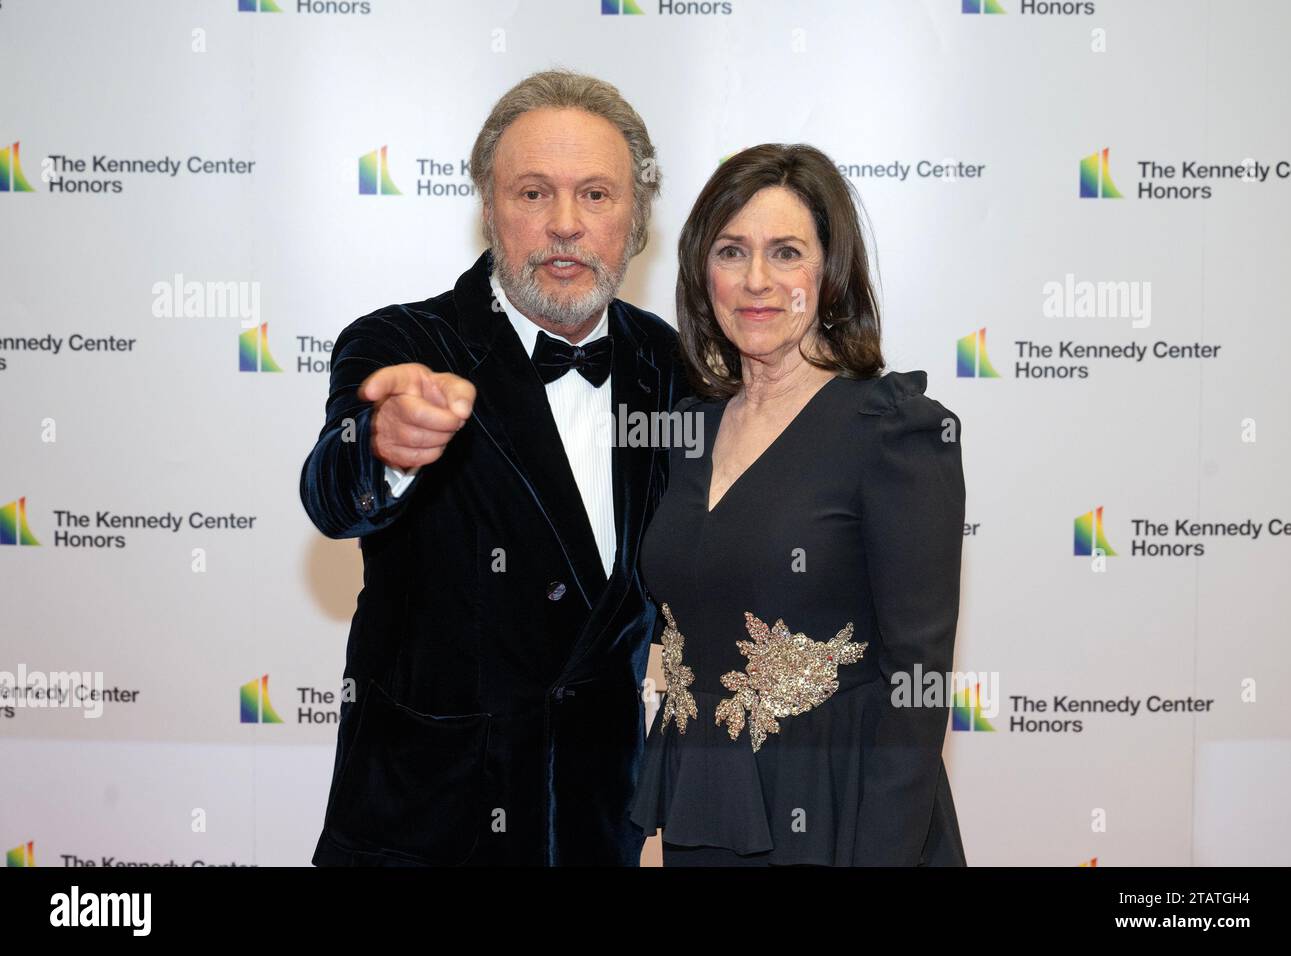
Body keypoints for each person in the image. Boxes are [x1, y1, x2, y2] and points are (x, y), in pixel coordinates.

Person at [300, 69, 691, 866]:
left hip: (599, 825)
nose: (565, 226)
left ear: (636, 217)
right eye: (533, 193)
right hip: (428, 827)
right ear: (488, 206)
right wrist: (383, 444)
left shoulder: (672, 364)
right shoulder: (402, 344)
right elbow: (333, 495)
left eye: (595, 195)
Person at [628, 143, 967, 866]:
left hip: (845, 817)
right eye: (731, 251)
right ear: (700, 271)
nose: (757, 280)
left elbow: (919, 679)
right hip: (708, 814)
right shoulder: (688, 430)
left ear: (830, 273)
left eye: (786, 252)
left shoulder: (894, 429)